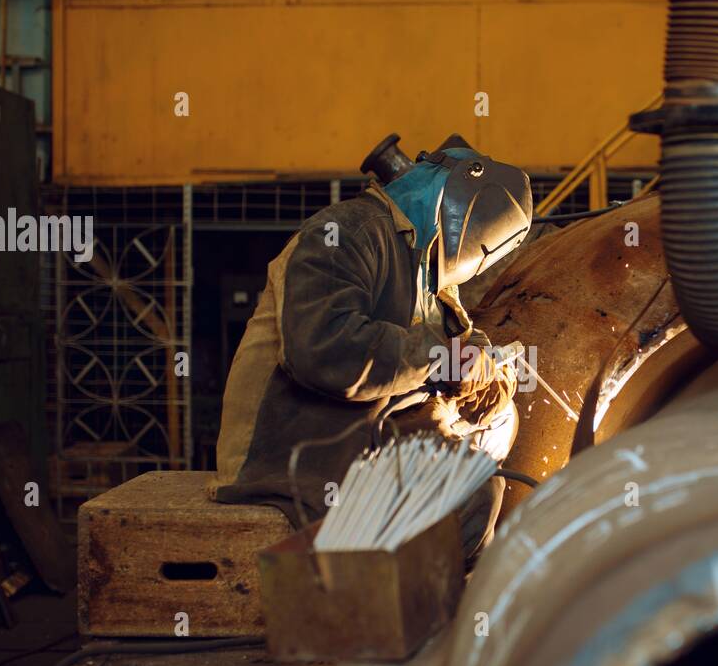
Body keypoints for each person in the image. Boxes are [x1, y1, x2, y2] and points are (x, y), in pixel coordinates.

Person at [211, 146, 533, 557]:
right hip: (297, 454)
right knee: (469, 492)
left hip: (372, 436)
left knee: (500, 432)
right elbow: (324, 348)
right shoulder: (347, 233)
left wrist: (484, 370)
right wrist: (441, 360)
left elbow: (455, 351)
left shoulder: (425, 268)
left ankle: (436, 605)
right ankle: (413, 614)